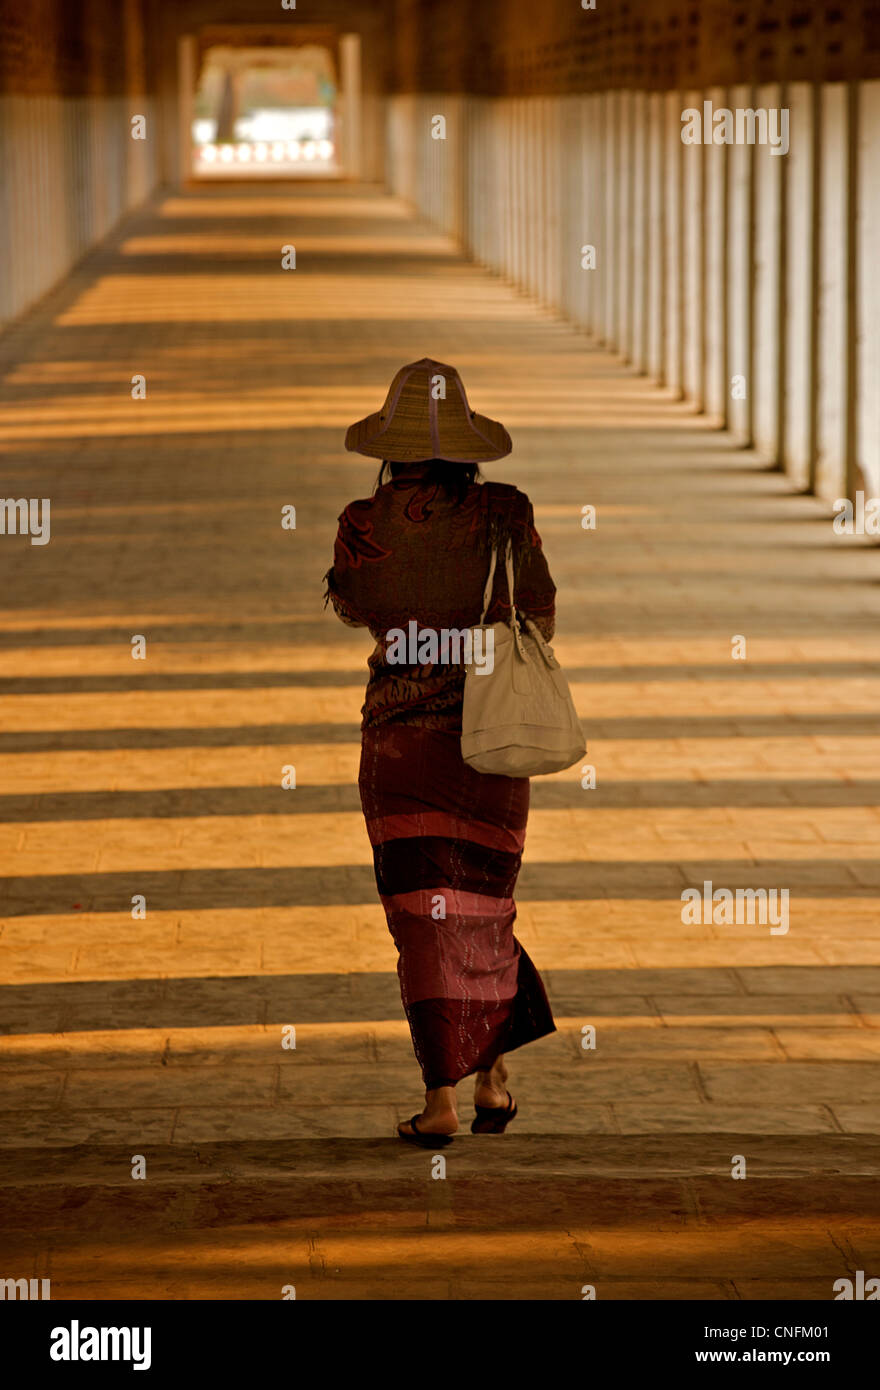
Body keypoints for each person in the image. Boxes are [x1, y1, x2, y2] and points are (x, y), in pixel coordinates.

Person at [324, 358, 557, 1146]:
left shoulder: (363, 522)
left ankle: (442, 1101)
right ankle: (493, 1081)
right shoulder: (505, 514)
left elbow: (354, 605)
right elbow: (542, 616)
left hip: (399, 743)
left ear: (391, 448)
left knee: (422, 914)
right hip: (493, 742)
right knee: (486, 906)